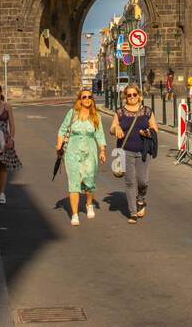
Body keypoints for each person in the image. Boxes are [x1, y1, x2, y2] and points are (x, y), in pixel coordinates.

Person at [56, 86, 107, 226]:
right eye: (84, 97)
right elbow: (62, 129)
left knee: (89, 182)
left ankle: (89, 204)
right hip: (72, 151)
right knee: (74, 183)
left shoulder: (96, 116)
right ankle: (74, 214)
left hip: (90, 153)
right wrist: (58, 146)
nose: (87, 99)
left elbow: (100, 134)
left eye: (89, 97)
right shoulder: (72, 113)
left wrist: (102, 150)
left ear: (92, 99)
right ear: (79, 100)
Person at [110, 83, 159, 224]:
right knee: (130, 182)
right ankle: (133, 212)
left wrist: (148, 132)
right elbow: (112, 128)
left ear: (139, 96)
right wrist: (117, 127)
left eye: (134, 94)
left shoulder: (147, 111)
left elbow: (155, 127)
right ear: (125, 96)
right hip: (126, 151)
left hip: (143, 151)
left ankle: (141, 199)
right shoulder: (120, 112)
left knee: (143, 181)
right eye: (129, 95)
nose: (131, 97)